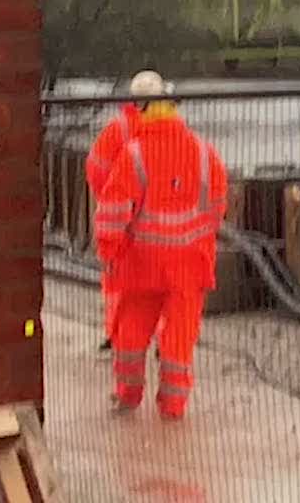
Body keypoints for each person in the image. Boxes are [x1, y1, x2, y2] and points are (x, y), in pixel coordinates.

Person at [93, 79, 228, 419]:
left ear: (139, 109)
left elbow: (111, 211)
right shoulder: (203, 151)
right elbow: (217, 206)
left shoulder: (134, 153)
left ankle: (127, 396)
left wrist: (110, 253)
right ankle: (173, 406)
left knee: (132, 333)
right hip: (190, 265)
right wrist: (196, 240)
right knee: (179, 341)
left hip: (141, 263)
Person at [85, 72, 164, 351]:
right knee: (159, 280)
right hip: (156, 219)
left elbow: (96, 168)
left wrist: (112, 203)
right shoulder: (165, 127)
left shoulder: (117, 128)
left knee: (118, 278)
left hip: (125, 219)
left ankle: (117, 334)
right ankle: (158, 339)